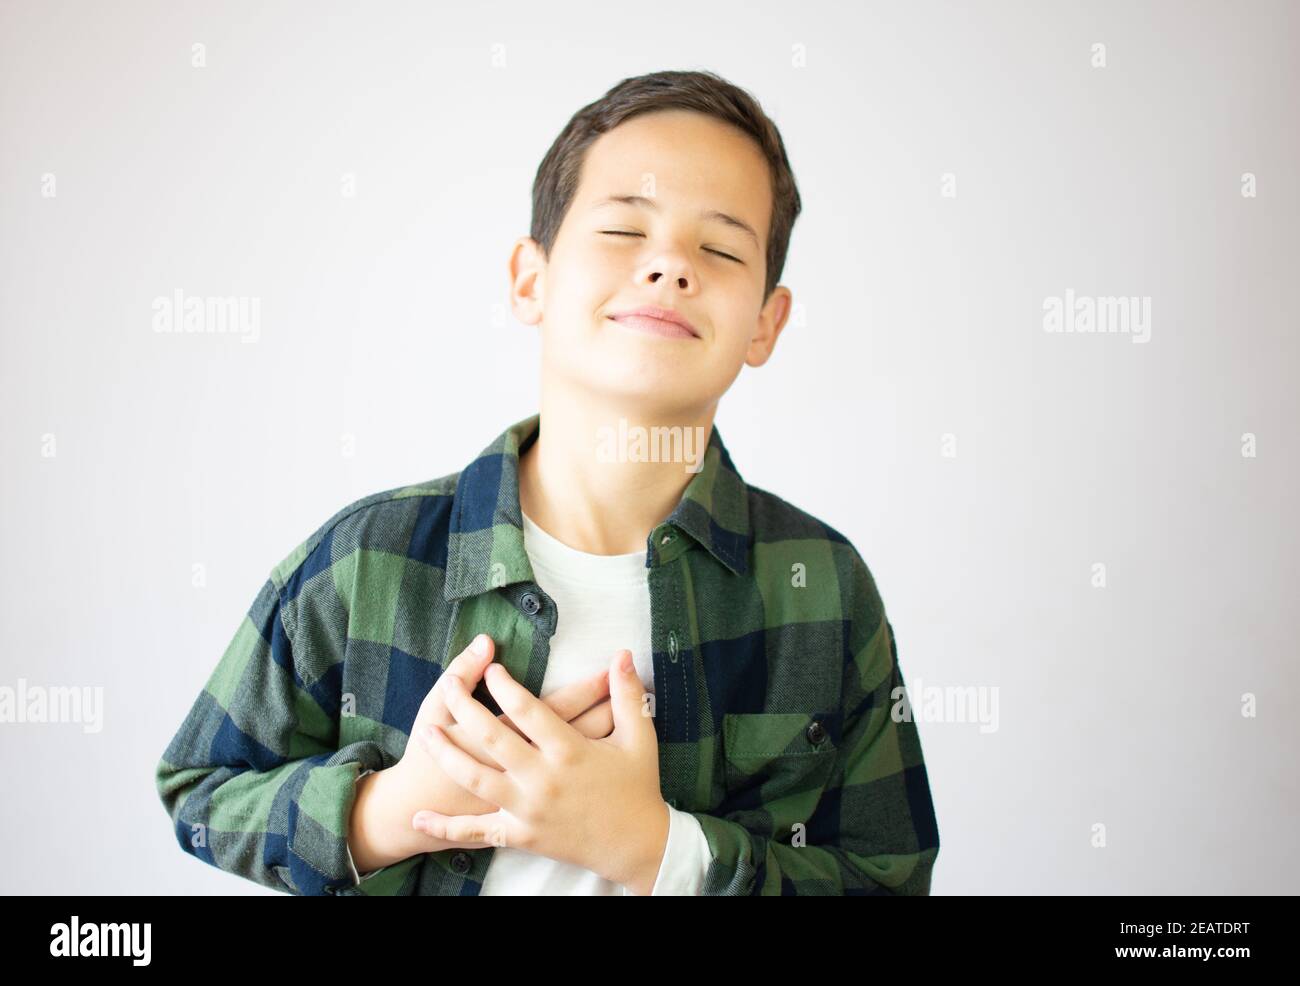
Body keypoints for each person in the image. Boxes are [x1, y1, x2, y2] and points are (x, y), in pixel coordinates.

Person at [155, 69, 940, 895]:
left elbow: (889, 878)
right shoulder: (368, 558)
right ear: (531, 279)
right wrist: (394, 809)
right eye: (625, 231)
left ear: (765, 324)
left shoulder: (823, 589)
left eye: (719, 247)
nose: (671, 266)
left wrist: (656, 849)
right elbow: (199, 790)